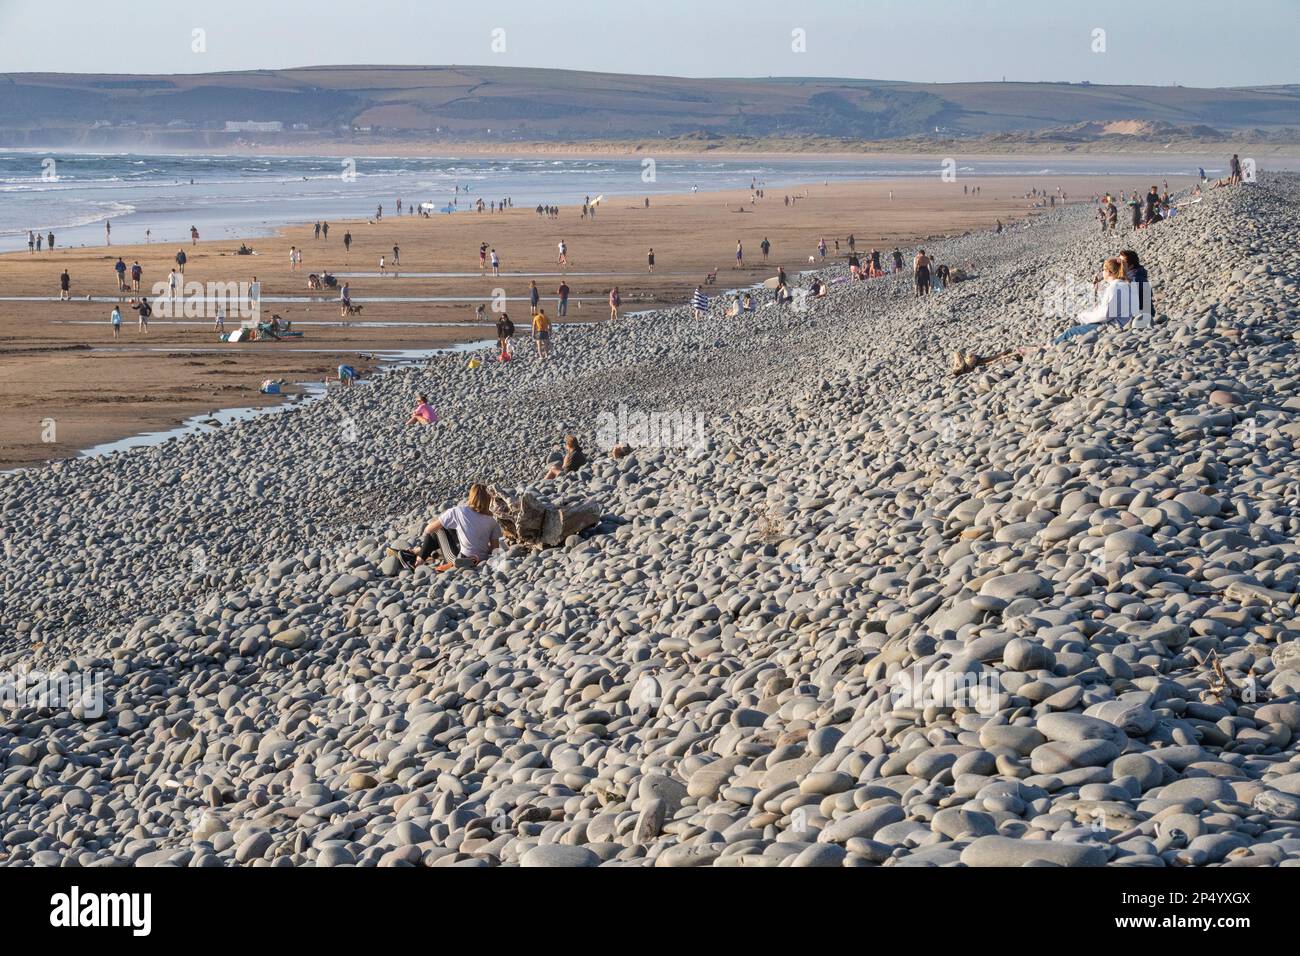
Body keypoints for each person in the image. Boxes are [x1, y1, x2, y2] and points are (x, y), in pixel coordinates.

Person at [389, 483, 501, 569]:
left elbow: (428, 530)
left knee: (437, 530)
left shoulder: (458, 511)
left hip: (460, 557)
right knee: (452, 531)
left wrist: (436, 522)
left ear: (471, 496)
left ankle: (417, 562)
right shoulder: (492, 520)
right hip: (481, 559)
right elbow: (495, 548)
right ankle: (418, 552)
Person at [1052, 257, 1133, 344]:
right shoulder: (1125, 285)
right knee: (1081, 327)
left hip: (1114, 326)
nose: (1102, 272)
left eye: (1103, 270)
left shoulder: (1114, 287)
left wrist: (1084, 317)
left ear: (1108, 272)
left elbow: (1106, 315)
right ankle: (1052, 343)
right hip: (1123, 321)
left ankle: (1050, 346)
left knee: (1071, 331)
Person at [1120, 249, 1154, 321]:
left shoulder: (1135, 279)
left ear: (1131, 266)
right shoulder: (1137, 275)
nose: (1119, 264)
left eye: (1122, 263)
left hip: (1141, 318)